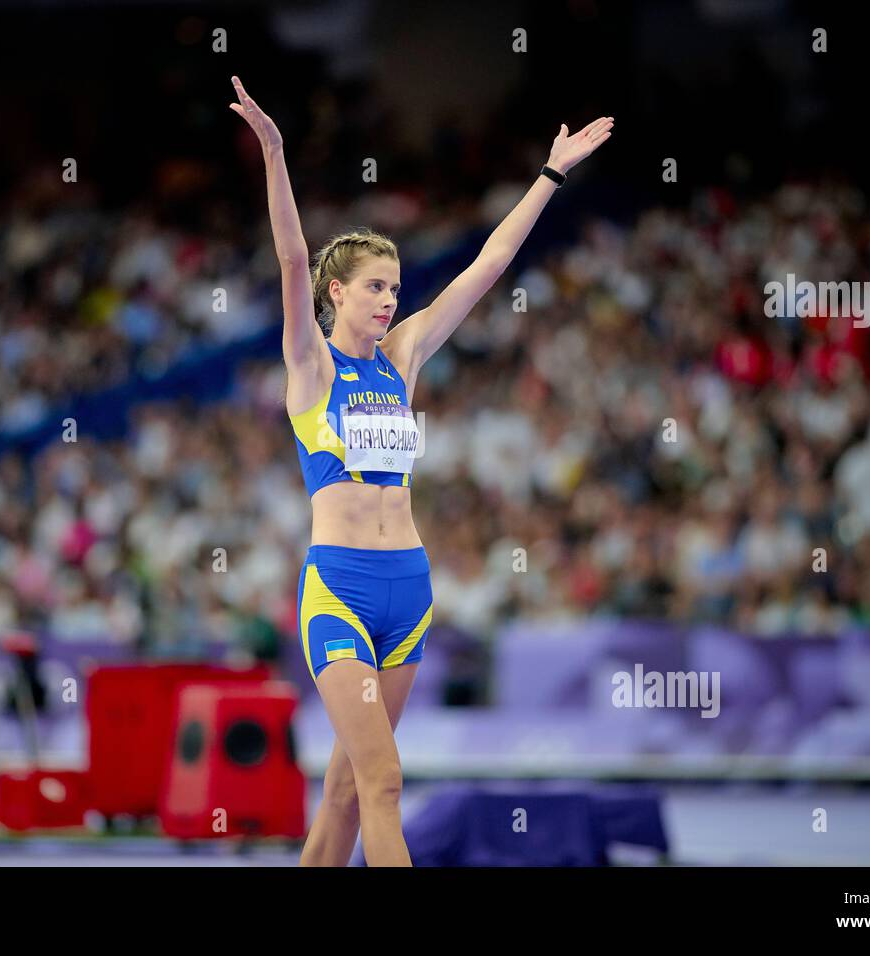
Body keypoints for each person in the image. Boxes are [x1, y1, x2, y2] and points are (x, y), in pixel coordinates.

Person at [229, 75, 613, 865]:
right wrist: (273, 151)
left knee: (344, 794)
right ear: (338, 294)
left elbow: (490, 260)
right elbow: (293, 257)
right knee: (386, 782)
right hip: (338, 588)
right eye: (373, 287)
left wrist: (550, 174)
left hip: (409, 591)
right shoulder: (312, 368)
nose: (387, 299)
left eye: (395, 288)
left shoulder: (404, 357)